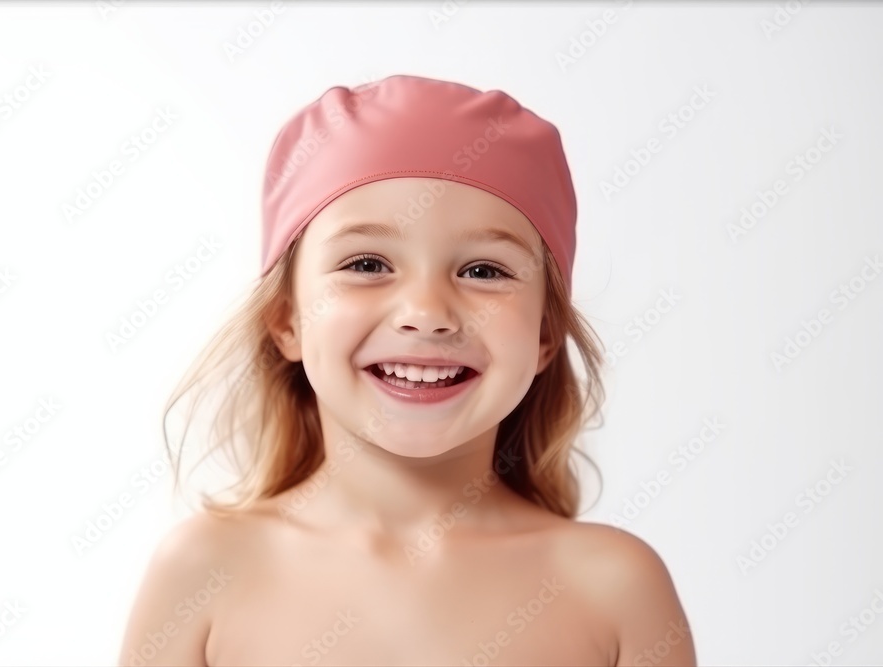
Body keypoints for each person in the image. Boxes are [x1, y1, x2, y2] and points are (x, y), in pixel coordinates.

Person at [118, 74, 696, 666]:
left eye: (484, 271)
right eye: (367, 264)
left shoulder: (615, 589)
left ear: (545, 335)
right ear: (287, 319)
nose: (426, 313)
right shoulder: (204, 573)